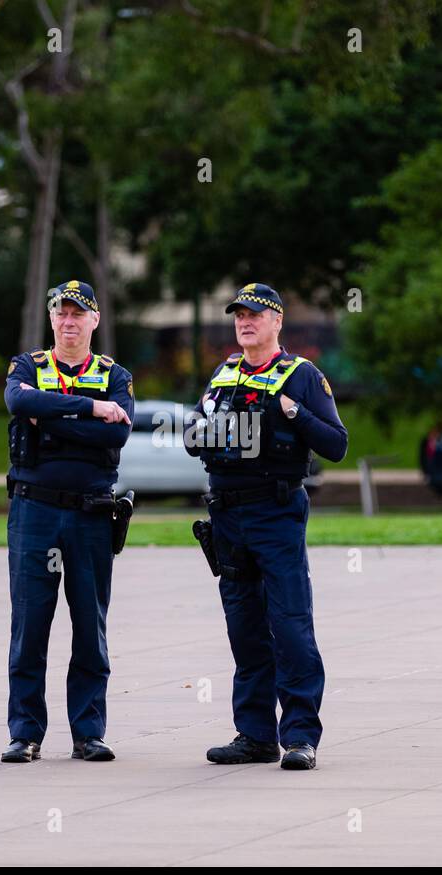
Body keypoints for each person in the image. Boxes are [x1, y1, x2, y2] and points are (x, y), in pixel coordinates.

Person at [185, 282, 348, 770]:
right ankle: (254, 735)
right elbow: (195, 435)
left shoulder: (301, 376)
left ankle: (300, 736)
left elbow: (336, 444)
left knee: (290, 624)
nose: (245, 321)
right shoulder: (224, 374)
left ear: (277, 321)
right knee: (245, 627)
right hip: (227, 514)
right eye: (238, 315)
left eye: (255, 314)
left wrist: (292, 413)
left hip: (275, 513)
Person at [0, 280, 133, 763]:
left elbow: (114, 438)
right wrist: (88, 409)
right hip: (34, 511)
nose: (69, 321)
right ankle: (25, 733)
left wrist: (51, 418)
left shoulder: (115, 374)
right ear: (52, 319)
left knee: (89, 626)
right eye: (62, 313)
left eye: (79, 313)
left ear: (95, 320)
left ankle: (89, 733)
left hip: (90, 514)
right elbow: (20, 403)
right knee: (30, 625)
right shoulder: (28, 366)